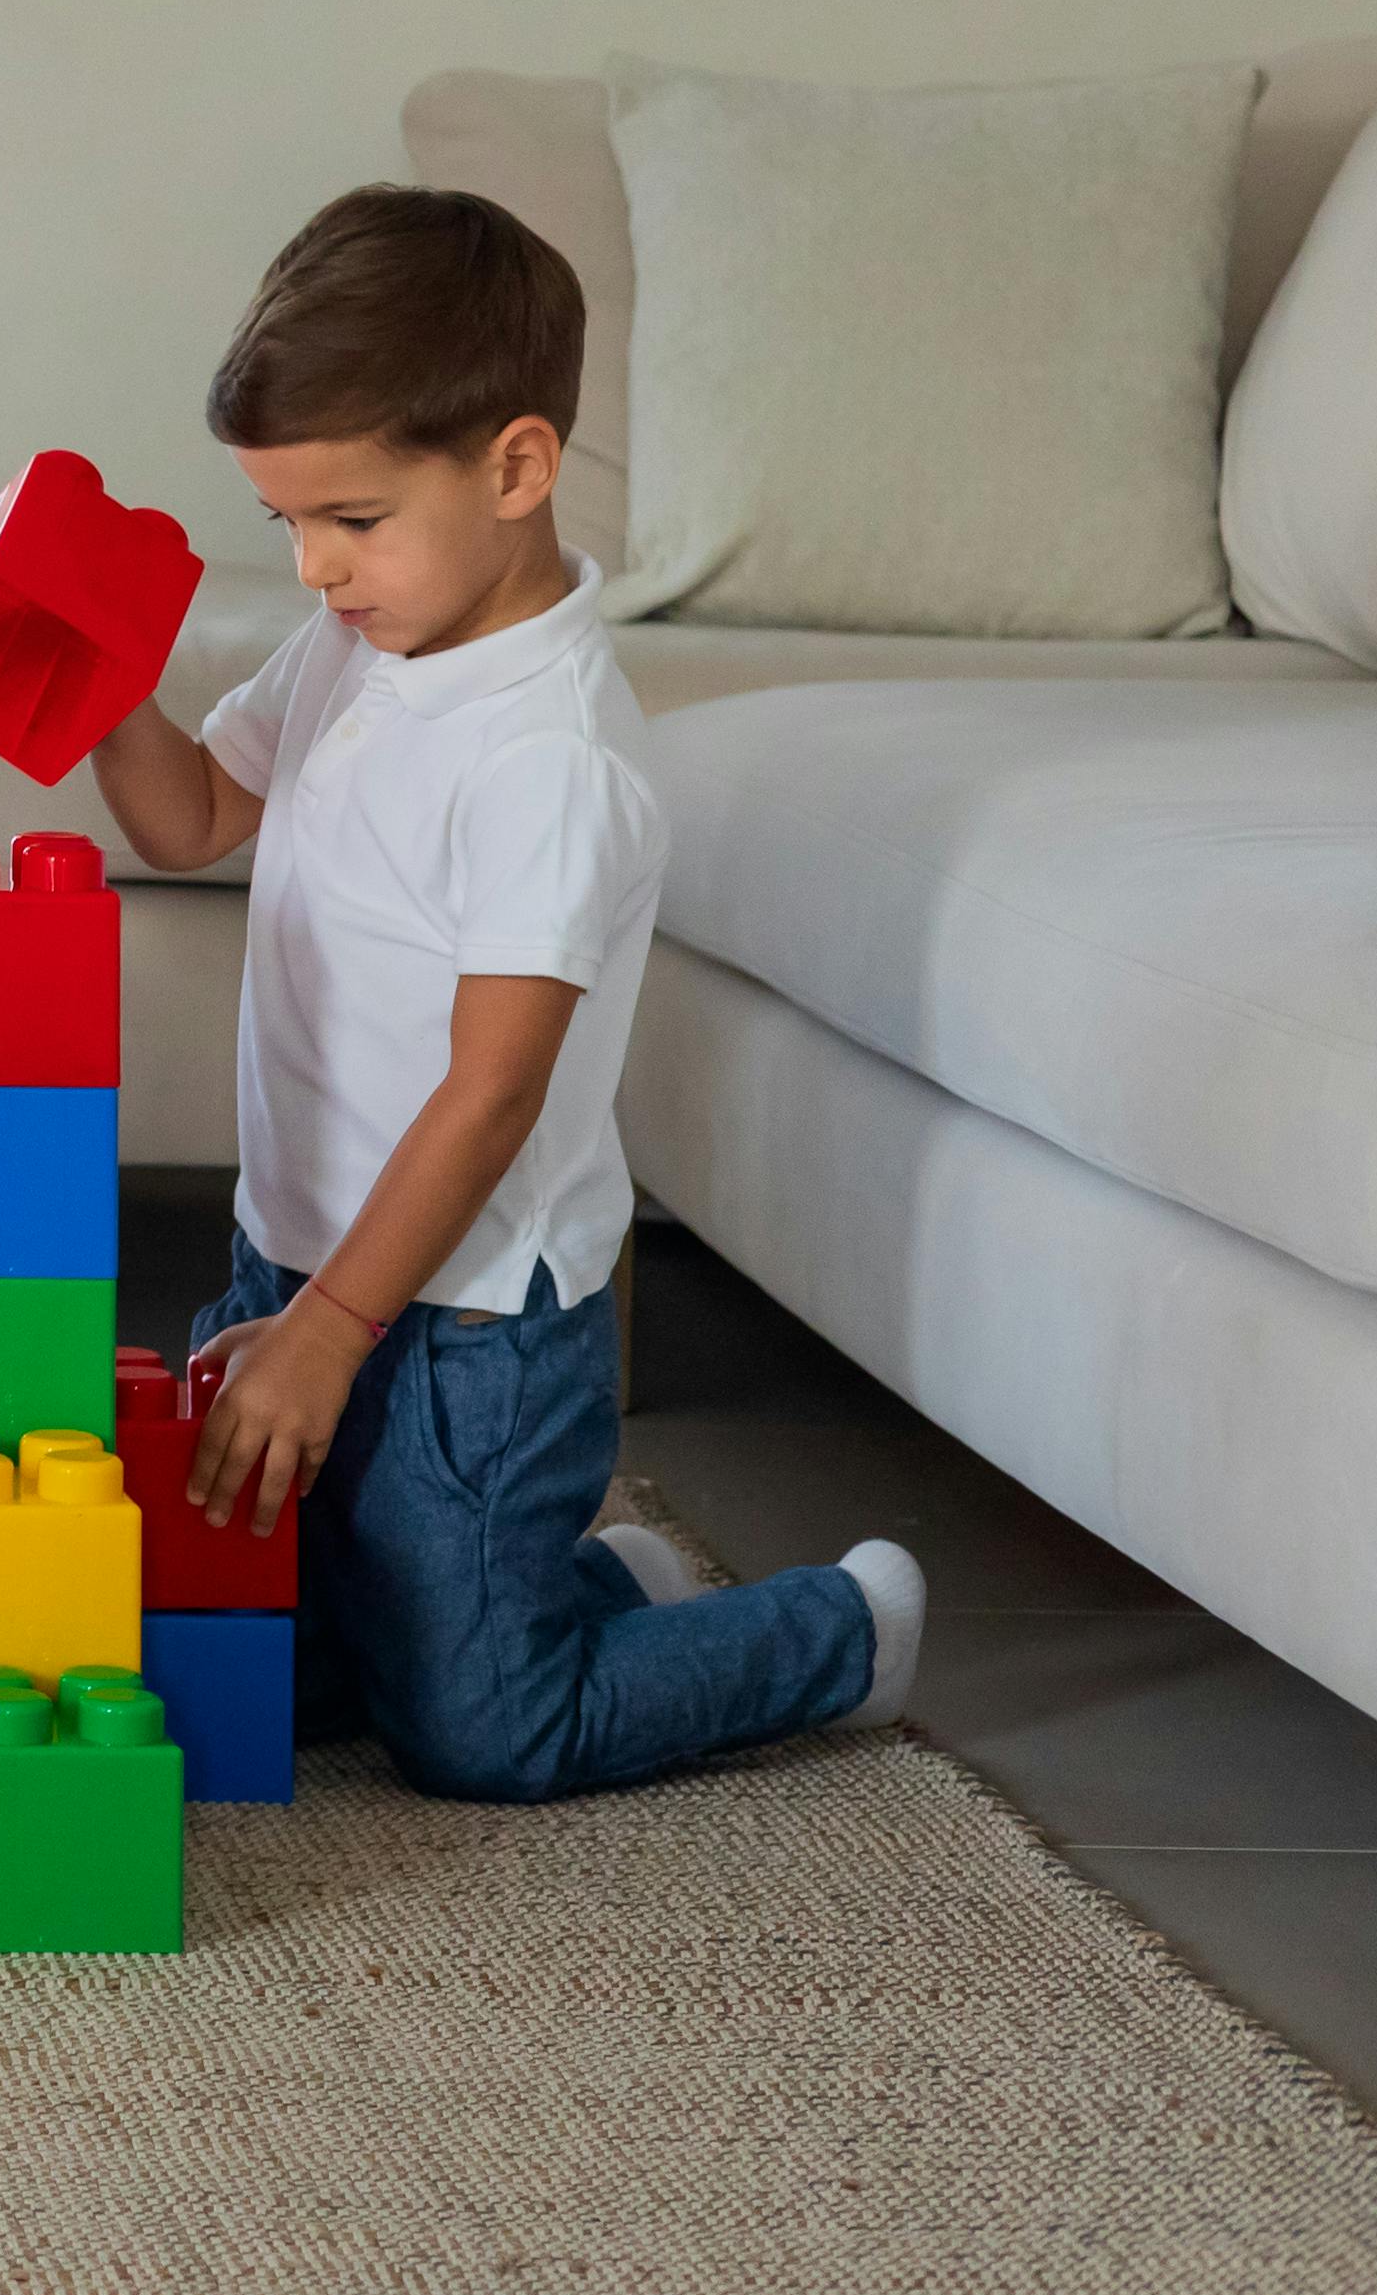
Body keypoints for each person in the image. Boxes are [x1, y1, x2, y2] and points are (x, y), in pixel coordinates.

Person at [89, 187, 920, 1799]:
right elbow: (192, 817)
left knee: (478, 1733)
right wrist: (106, 686)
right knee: (273, 1666)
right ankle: (583, 1597)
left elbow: (495, 1090)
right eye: (289, 527)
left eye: (354, 519)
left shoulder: (548, 759)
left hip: (463, 1324)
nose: (319, 569)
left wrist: (337, 1333)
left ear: (517, 468)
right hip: (294, 1256)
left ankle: (841, 1628)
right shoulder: (365, 644)